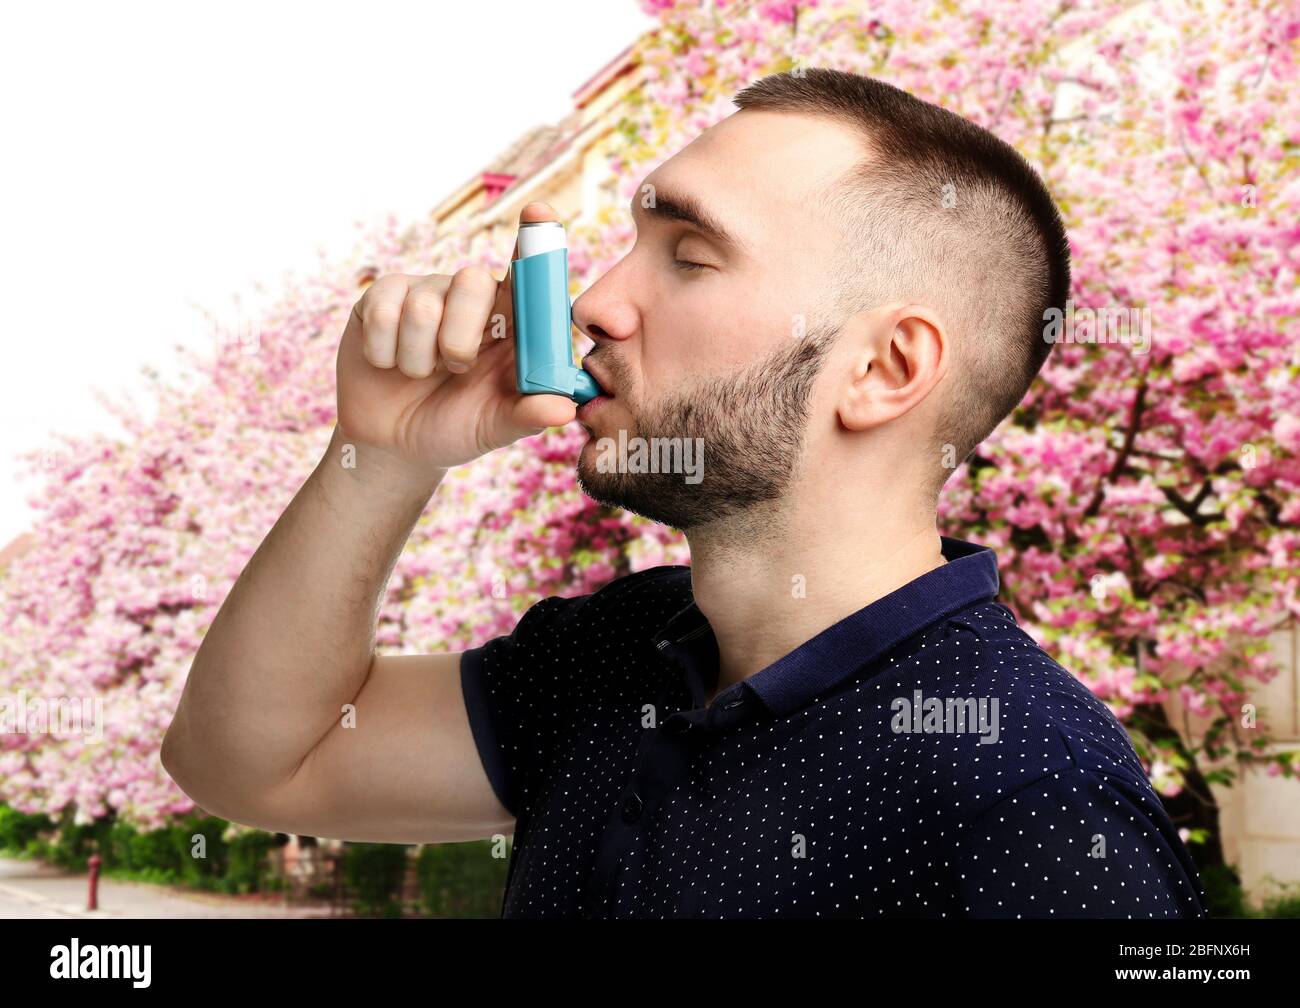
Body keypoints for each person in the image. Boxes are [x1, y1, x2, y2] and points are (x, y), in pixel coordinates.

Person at [162, 68, 1208, 919]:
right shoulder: (620, 654)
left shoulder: (1032, 804)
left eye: (690, 258)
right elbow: (254, 763)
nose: (599, 301)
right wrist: (382, 454)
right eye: (628, 246)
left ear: (886, 369)